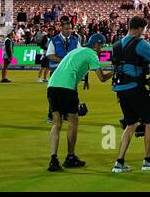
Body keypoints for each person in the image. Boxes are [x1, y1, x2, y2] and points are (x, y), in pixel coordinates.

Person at [46, 32, 112, 171]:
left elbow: (71, 74)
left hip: (52, 86)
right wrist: (116, 70)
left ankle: (53, 159)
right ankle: (70, 157)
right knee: (73, 122)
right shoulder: (92, 54)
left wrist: (77, 100)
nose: (102, 49)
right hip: (66, 88)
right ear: (96, 45)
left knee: (56, 123)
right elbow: (102, 78)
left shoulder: (76, 50)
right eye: (101, 45)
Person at [109, 16, 150, 172]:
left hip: (120, 89)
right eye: (144, 29)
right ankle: (148, 160)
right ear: (139, 28)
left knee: (130, 124)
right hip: (136, 87)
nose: (144, 32)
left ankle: (119, 163)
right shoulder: (141, 43)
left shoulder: (117, 44)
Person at [45, 17, 80, 123]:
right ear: (61, 29)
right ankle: (51, 115)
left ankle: (66, 114)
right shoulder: (54, 40)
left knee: (70, 94)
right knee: (55, 94)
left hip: (70, 72)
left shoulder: (75, 40)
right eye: (66, 29)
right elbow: (50, 55)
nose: (69, 31)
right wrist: (65, 60)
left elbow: (79, 54)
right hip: (56, 72)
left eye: (70, 29)